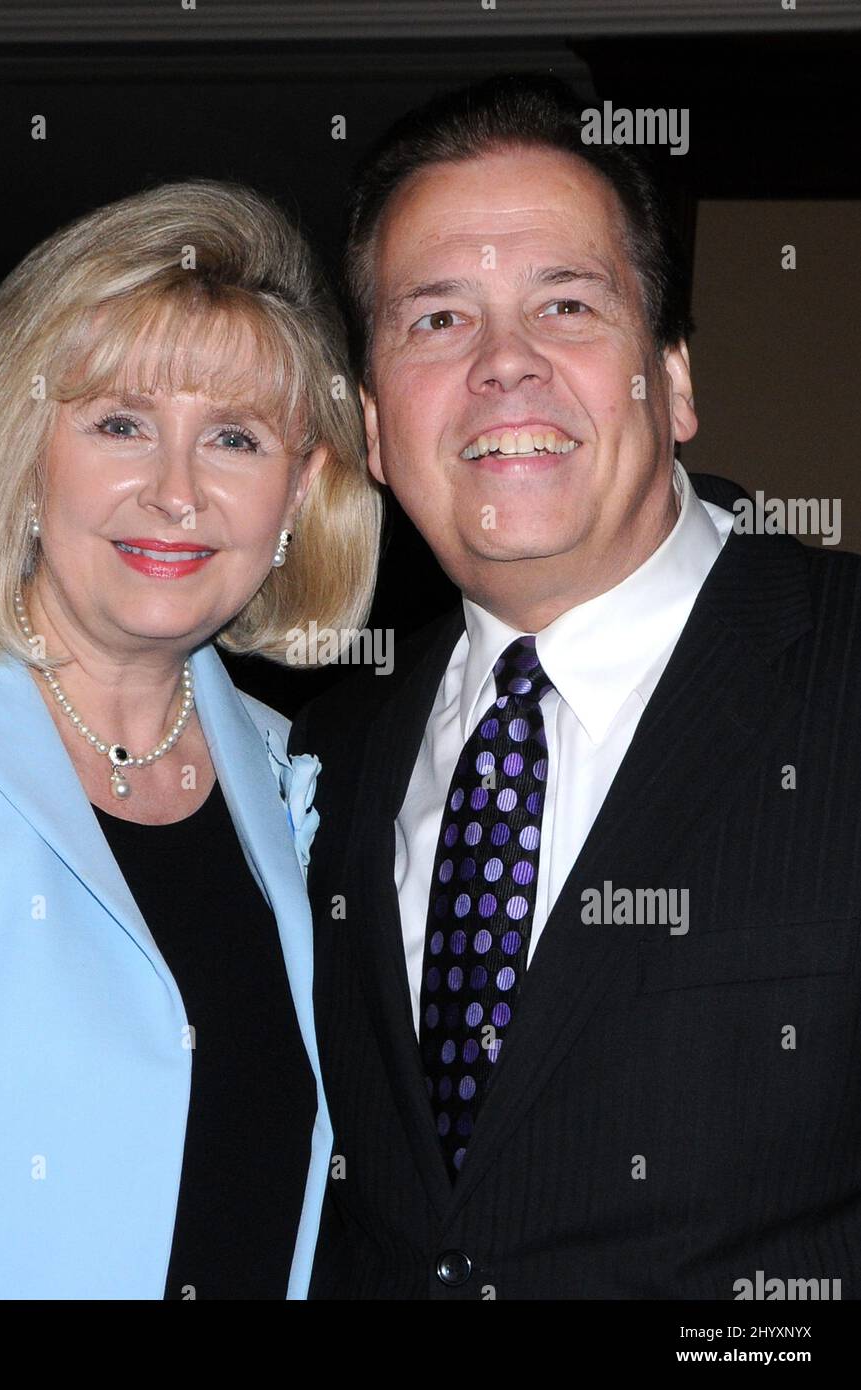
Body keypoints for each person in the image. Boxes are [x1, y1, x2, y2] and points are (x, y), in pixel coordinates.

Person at [290, 73, 861, 1299]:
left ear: (677, 382)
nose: (505, 364)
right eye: (437, 321)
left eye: (566, 304)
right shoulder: (315, 765)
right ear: (378, 433)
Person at [0, 178, 381, 1300]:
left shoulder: (293, 774)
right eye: (121, 423)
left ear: (298, 493)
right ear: (24, 455)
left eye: (233, 437)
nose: (176, 493)